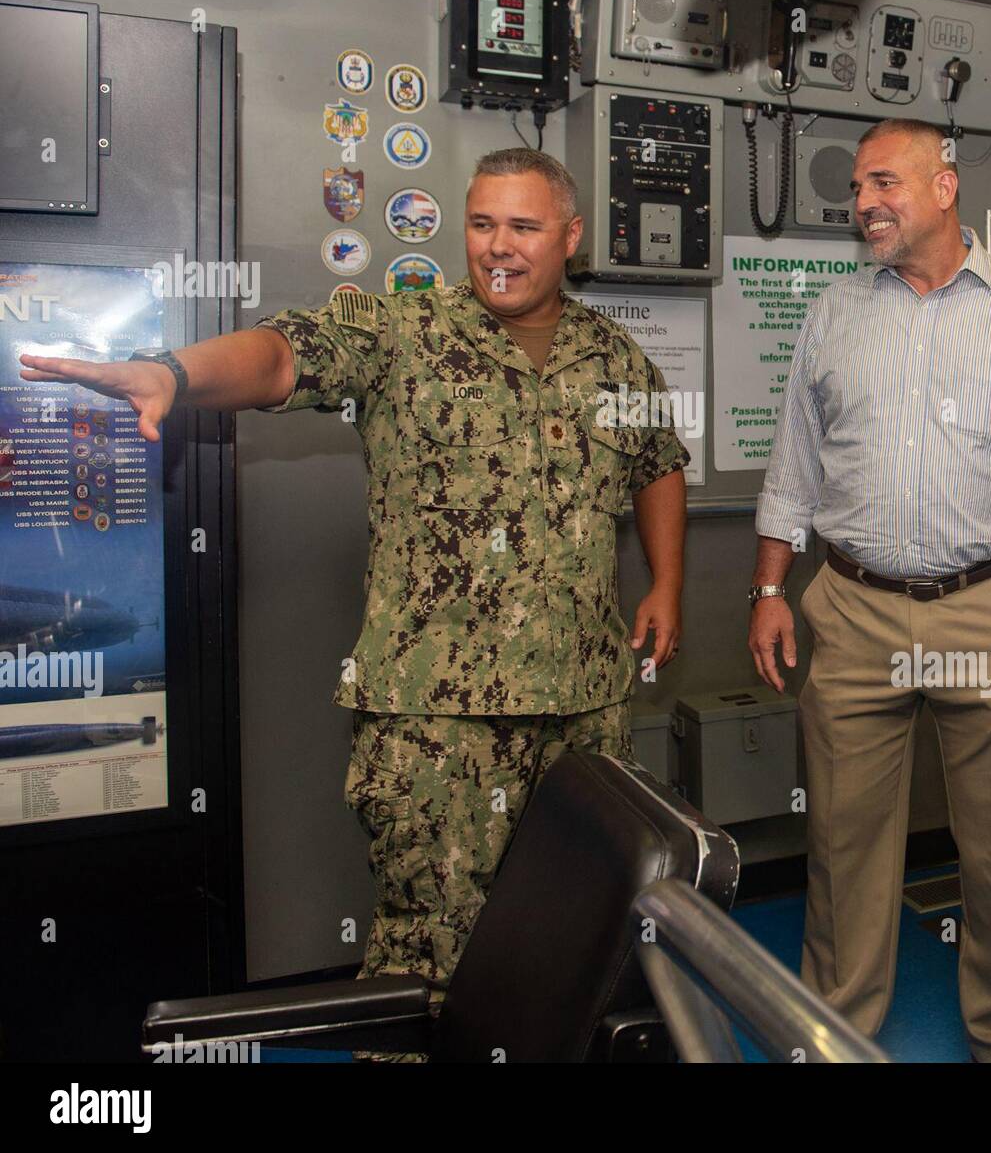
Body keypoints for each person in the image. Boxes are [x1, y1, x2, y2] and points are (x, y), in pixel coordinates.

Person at [20, 147, 689, 1015]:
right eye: (482, 224)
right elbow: (281, 358)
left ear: (570, 236)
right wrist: (175, 374)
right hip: (439, 720)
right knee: (432, 953)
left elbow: (658, 462)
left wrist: (667, 583)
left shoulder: (614, 357)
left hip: (584, 710)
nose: (498, 247)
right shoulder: (402, 332)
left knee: (577, 929)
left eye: (523, 227)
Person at [746, 119, 991, 1063]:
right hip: (855, 607)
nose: (863, 203)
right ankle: (836, 1037)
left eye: (883, 183)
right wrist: (770, 586)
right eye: (857, 191)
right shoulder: (834, 313)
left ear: (944, 189)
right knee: (844, 847)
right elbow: (794, 466)